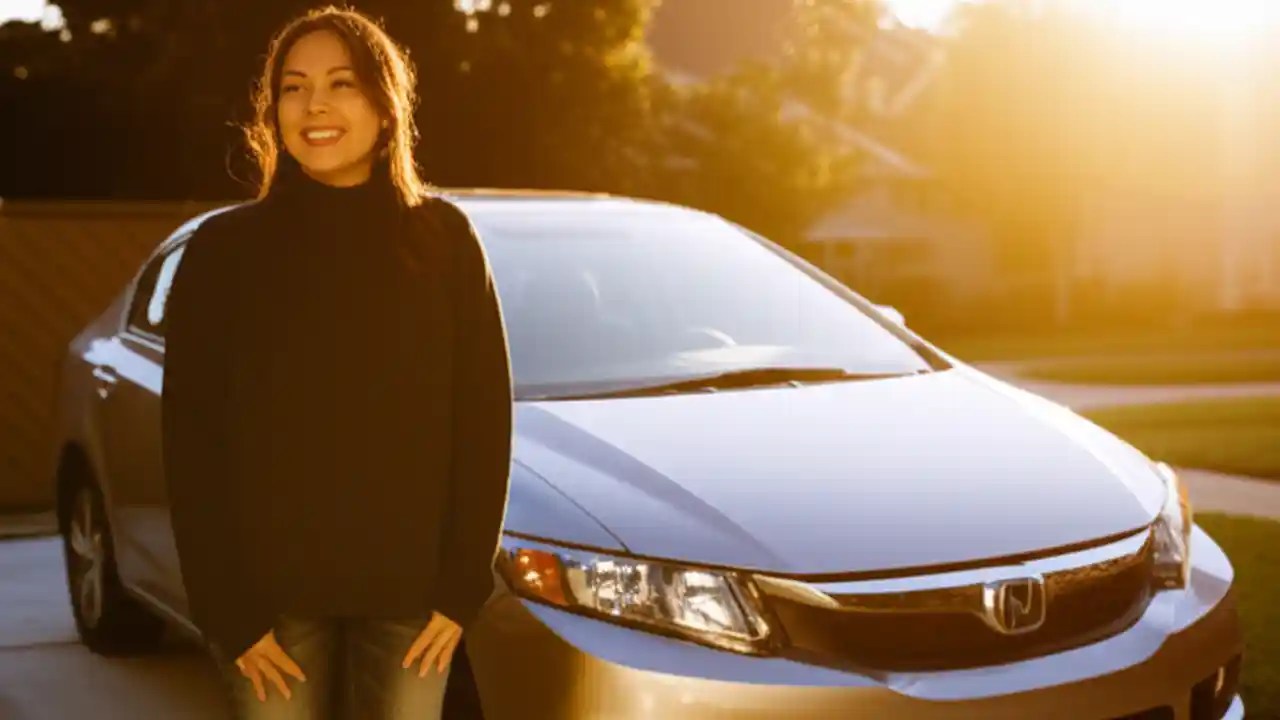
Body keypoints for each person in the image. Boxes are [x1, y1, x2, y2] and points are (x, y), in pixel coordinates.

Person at [160, 6, 513, 719]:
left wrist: (460, 590)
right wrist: (226, 611)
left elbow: (483, 422)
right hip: (271, 611)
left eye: (340, 83)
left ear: (386, 109)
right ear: (273, 112)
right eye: (293, 87)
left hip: (412, 608)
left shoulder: (445, 241)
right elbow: (191, 442)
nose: (314, 105)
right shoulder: (222, 253)